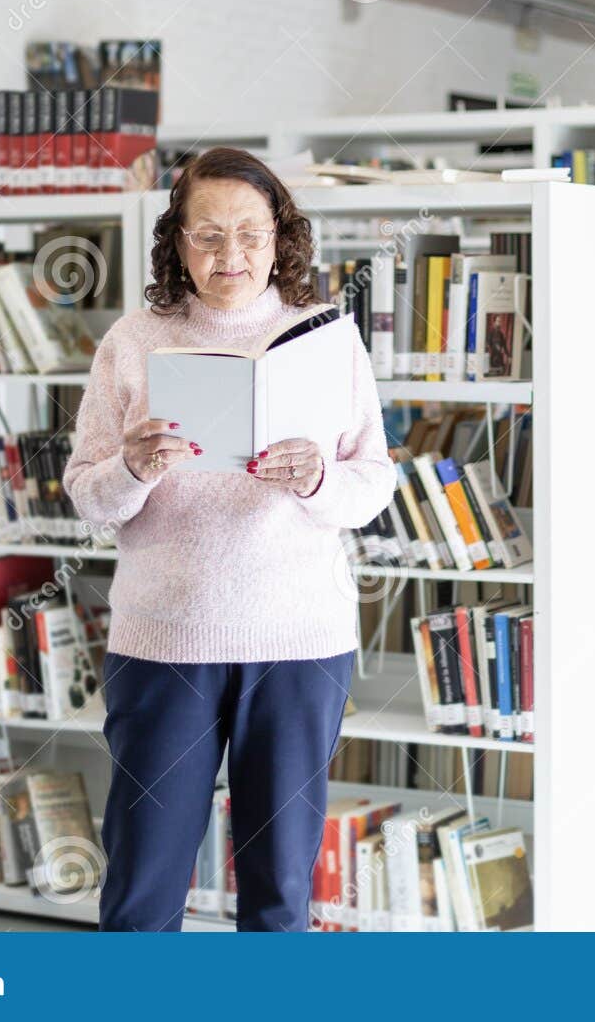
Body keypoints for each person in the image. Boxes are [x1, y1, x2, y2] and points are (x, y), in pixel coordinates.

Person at [64, 146, 394, 930]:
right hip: (165, 639)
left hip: (299, 642)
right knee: (143, 881)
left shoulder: (326, 338)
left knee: (280, 887)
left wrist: (318, 476)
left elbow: (372, 483)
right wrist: (134, 468)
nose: (231, 255)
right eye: (207, 236)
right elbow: (87, 494)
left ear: (281, 237)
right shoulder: (133, 339)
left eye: (250, 233)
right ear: (176, 241)